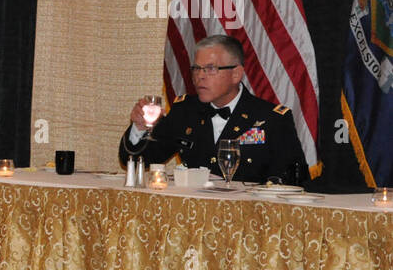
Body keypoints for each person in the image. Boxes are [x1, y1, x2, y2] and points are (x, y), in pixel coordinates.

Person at [119, 34, 306, 184]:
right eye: (196, 68)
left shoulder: (271, 119)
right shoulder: (185, 111)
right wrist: (139, 128)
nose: (200, 76)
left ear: (236, 74)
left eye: (210, 69)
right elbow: (139, 161)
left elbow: (293, 181)